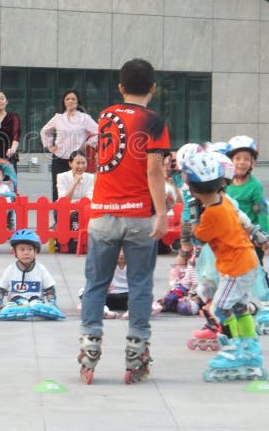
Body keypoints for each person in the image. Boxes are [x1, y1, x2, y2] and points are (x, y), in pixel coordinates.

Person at [78, 58, 169, 385]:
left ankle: (89, 346)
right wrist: (161, 212)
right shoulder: (153, 121)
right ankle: (136, 351)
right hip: (137, 216)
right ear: (153, 88)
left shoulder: (105, 116)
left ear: (120, 87)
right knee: (140, 283)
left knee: (96, 284)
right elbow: (154, 170)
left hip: (102, 212)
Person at [182, 151, 266, 382]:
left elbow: (198, 238)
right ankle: (251, 350)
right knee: (239, 307)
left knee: (219, 307)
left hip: (235, 268)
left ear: (194, 190)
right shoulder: (226, 202)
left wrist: (194, 218)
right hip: (247, 262)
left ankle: (232, 350)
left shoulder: (211, 215)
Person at [226, 136, 269, 335]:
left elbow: (261, 211)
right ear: (230, 161)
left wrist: (265, 236)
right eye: (237, 158)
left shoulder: (254, 186)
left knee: (257, 272)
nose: (241, 162)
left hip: (252, 238)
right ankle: (244, 307)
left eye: (246, 159)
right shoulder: (226, 184)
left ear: (253, 163)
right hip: (231, 240)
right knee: (234, 276)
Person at [0, 229, 65, 321]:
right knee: (20, 301)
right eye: (22, 249)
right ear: (15, 252)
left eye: (30, 249)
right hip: (16, 301)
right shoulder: (11, 269)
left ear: (36, 251)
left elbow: (49, 288)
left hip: (36, 302)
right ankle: (16, 308)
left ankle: (38, 307)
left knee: (35, 302)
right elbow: (0, 288)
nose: (26, 252)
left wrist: (51, 302)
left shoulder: (40, 269)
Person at [40, 89, 98, 205]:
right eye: (67, 99)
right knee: (58, 189)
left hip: (77, 160)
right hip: (59, 158)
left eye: (73, 99)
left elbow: (99, 132)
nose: (70, 101)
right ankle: (58, 220)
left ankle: (76, 218)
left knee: (78, 187)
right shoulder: (58, 118)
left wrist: (87, 143)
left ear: (78, 102)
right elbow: (44, 131)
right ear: (64, 102)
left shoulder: (84, 118)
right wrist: (50, 145)